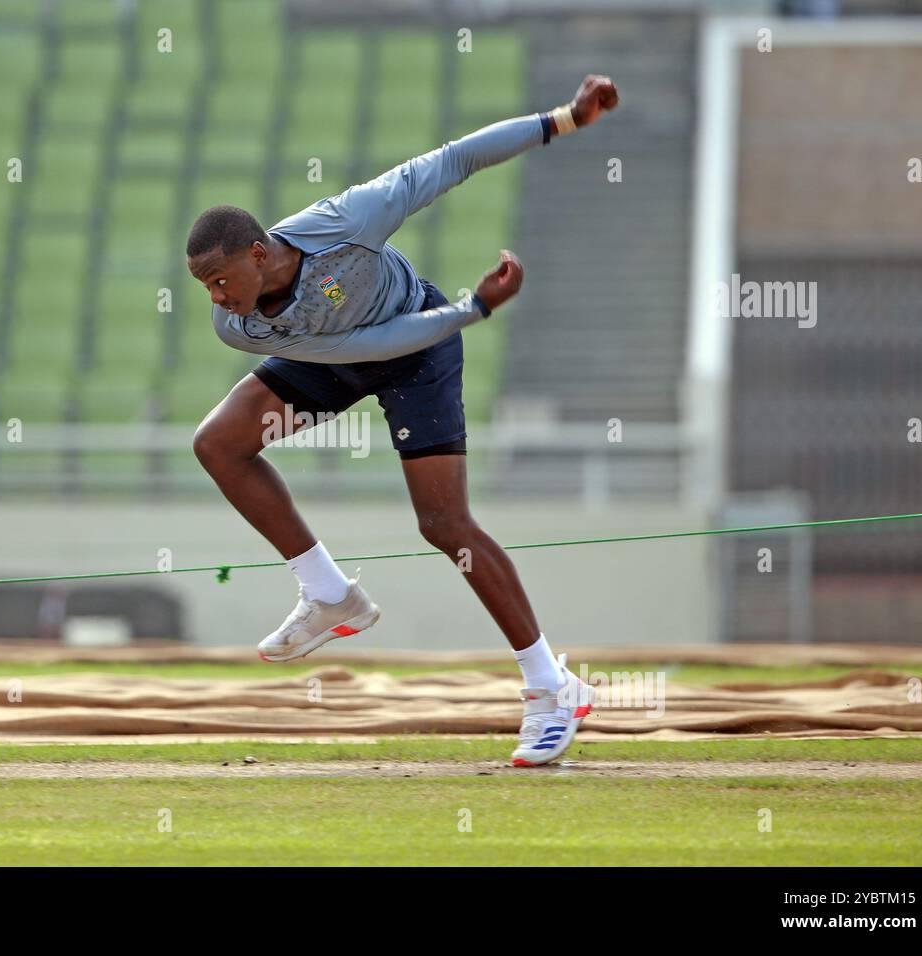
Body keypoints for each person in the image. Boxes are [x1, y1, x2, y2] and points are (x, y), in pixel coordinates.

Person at [186, 75, 620, 766]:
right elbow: (351, 352)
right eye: (204, 288)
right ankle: (330, 595)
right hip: (344, 354)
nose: (215, 297)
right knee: (219, 443)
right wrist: (473, 309)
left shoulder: (347, 221)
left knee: (445, 525)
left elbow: (453, 161)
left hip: (419, 343)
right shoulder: (236, 326)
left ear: (260, 255)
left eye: (220, 279)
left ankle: (551, 688)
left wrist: (564, 119)